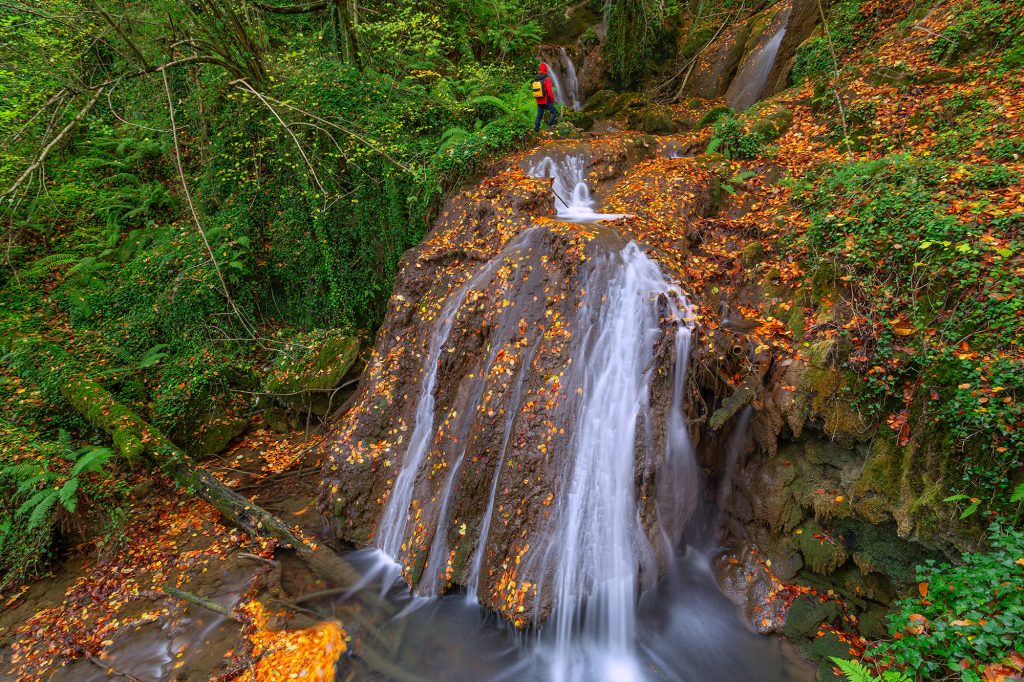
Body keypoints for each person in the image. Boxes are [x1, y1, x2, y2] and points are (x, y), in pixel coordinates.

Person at [532, 63, 558, 133]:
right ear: (546, 70)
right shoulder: (546, 79)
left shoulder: (536, 78)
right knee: (554, 112)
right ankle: (549, 126)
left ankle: (536, 130)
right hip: (546, 100)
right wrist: (552, 100)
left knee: (539, 116)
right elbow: (549, 91)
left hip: (539, 100)